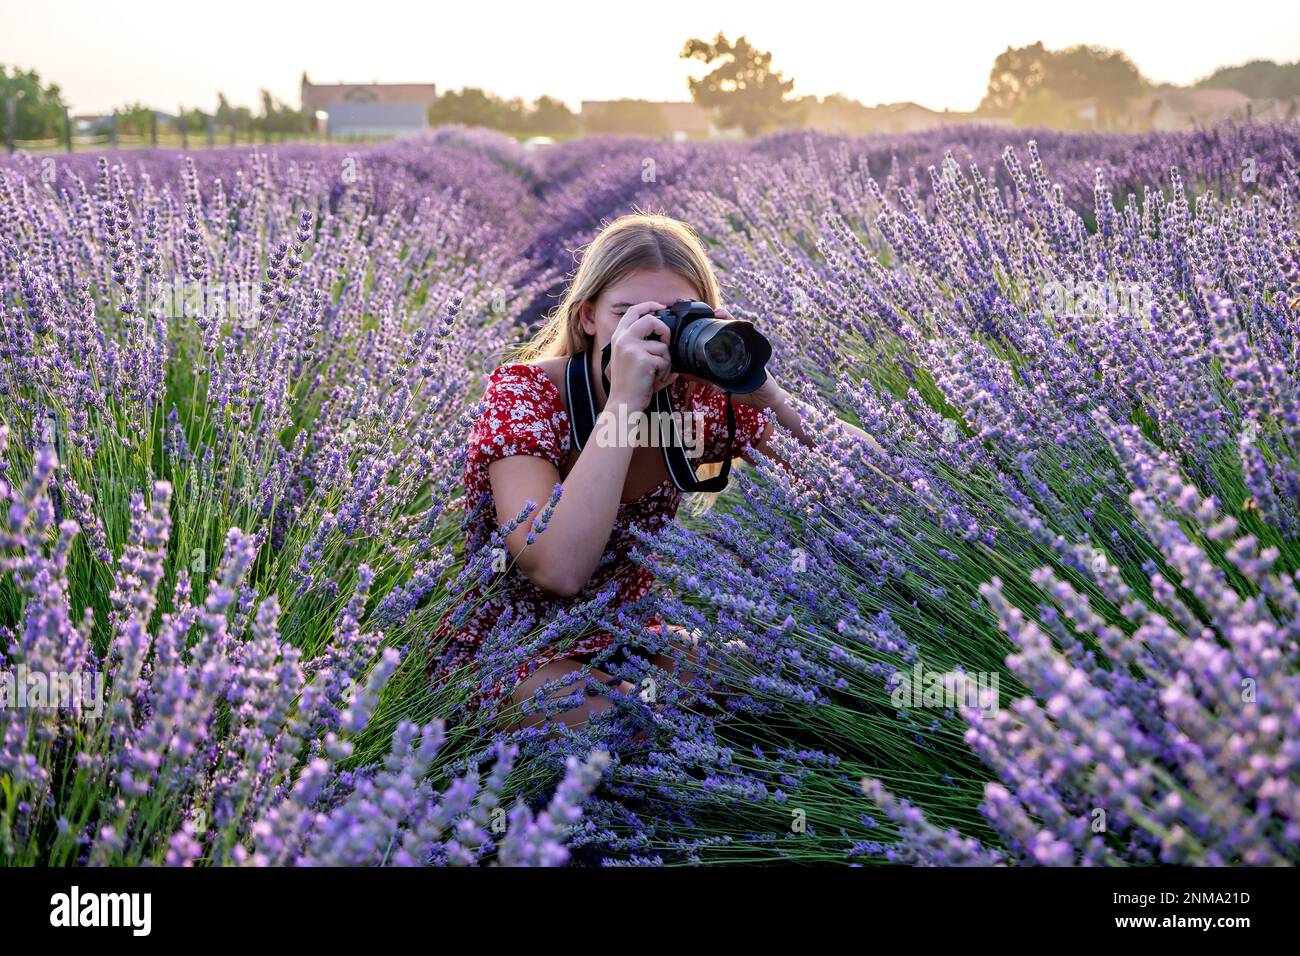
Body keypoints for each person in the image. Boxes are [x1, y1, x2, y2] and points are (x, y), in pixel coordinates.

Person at [431, 212, 876, 733]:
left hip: (630, 638)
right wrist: (624, 401)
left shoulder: (693, 405)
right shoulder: (527, 397)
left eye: (676, 319)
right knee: (631, 722)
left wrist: (769, 395)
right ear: (586, 318)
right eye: (631, 315)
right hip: (507, 650)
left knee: (784, 679)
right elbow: (558, 569)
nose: (654, 336)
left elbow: (866, 478)